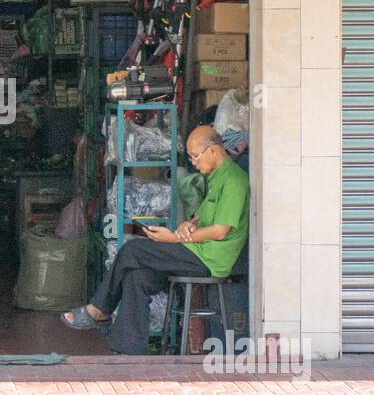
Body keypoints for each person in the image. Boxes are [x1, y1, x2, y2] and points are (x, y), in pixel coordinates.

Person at [61, 124, 250, 355]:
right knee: (136, 276)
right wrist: (190, 223)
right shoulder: (216, 176)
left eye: (195, 156)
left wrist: (173, 239)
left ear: (213, 150)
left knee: (133, 250)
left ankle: (99, 309)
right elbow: (205, 214)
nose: (192, 162)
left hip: (210, 260)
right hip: (197, 252)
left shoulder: (234, 181)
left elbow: (221, 230)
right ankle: (128, 350)